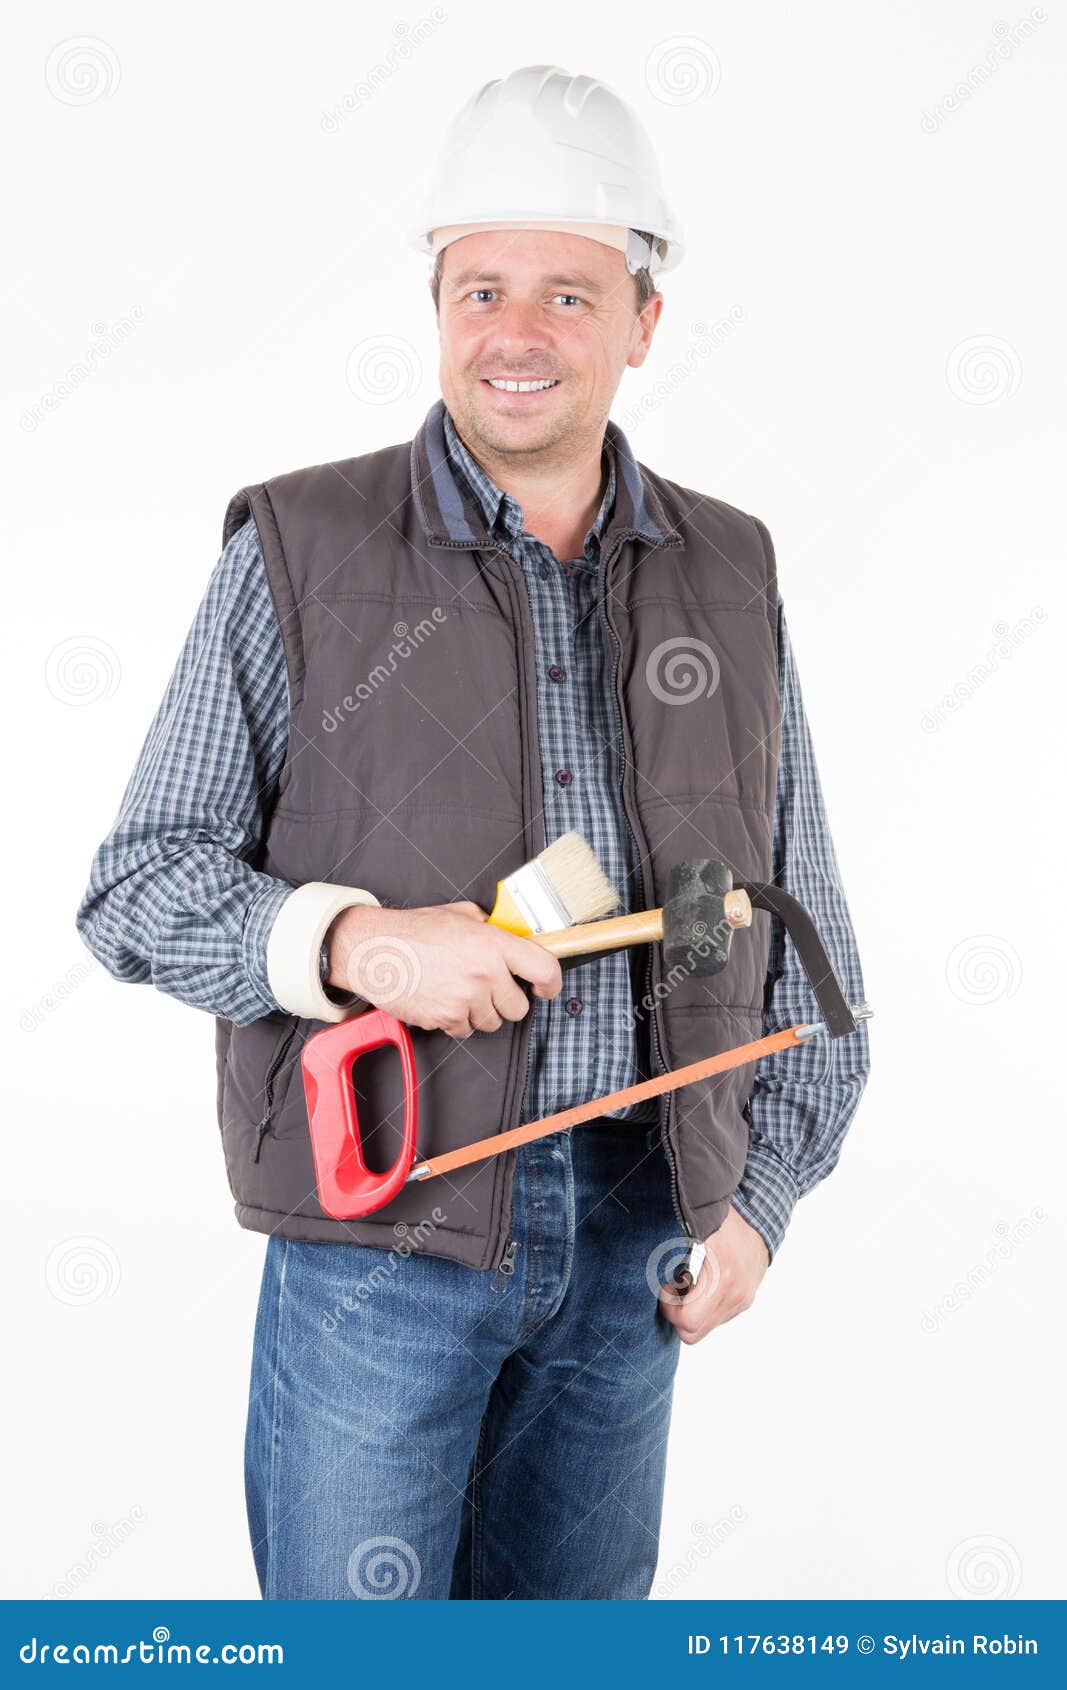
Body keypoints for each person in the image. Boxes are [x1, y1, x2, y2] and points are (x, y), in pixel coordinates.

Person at [76, 64, 870, 1600]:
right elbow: (137, 887)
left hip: (642, 1240)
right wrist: (360, 942)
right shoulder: (302, 549)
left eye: (568, 295)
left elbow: (797, 929)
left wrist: (759, 1206)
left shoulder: (729, 572)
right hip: (381, 1247)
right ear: (436, 304)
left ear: (643, 322)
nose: (516, 332)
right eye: (481, 288)